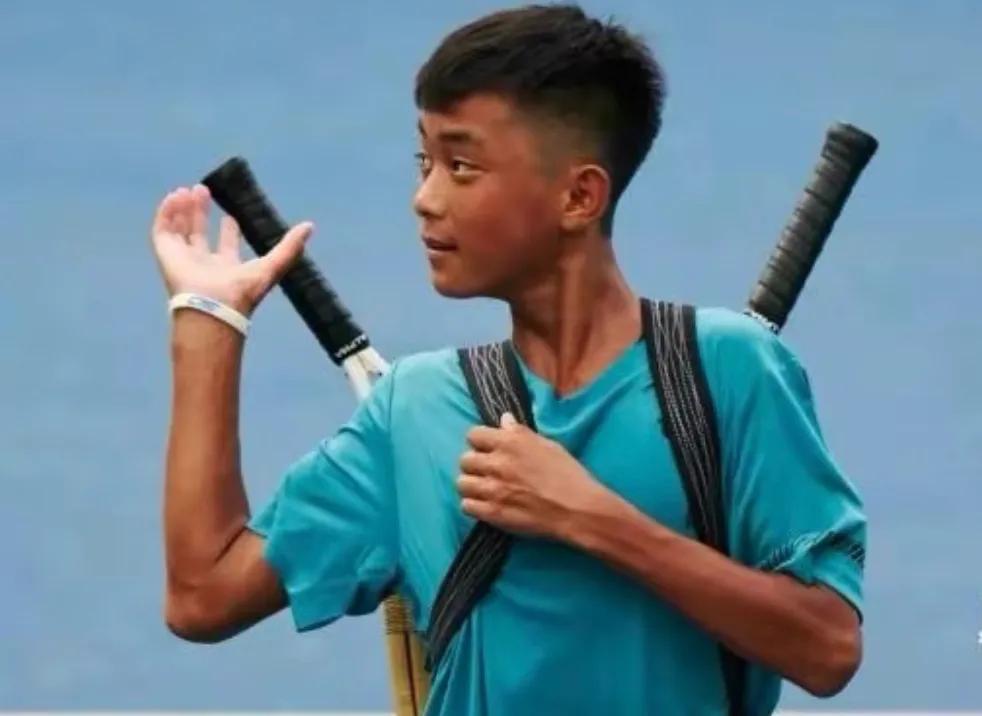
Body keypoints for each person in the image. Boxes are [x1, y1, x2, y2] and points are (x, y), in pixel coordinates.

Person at [152, 5, 867, 715]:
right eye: (424, 161)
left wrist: (592, 517)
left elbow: (827, 648)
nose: (424, 199)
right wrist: (209, 322)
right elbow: (203, 595)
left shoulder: (732, 372)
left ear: (579, 196)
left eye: (461, 165)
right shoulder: (416, 407)